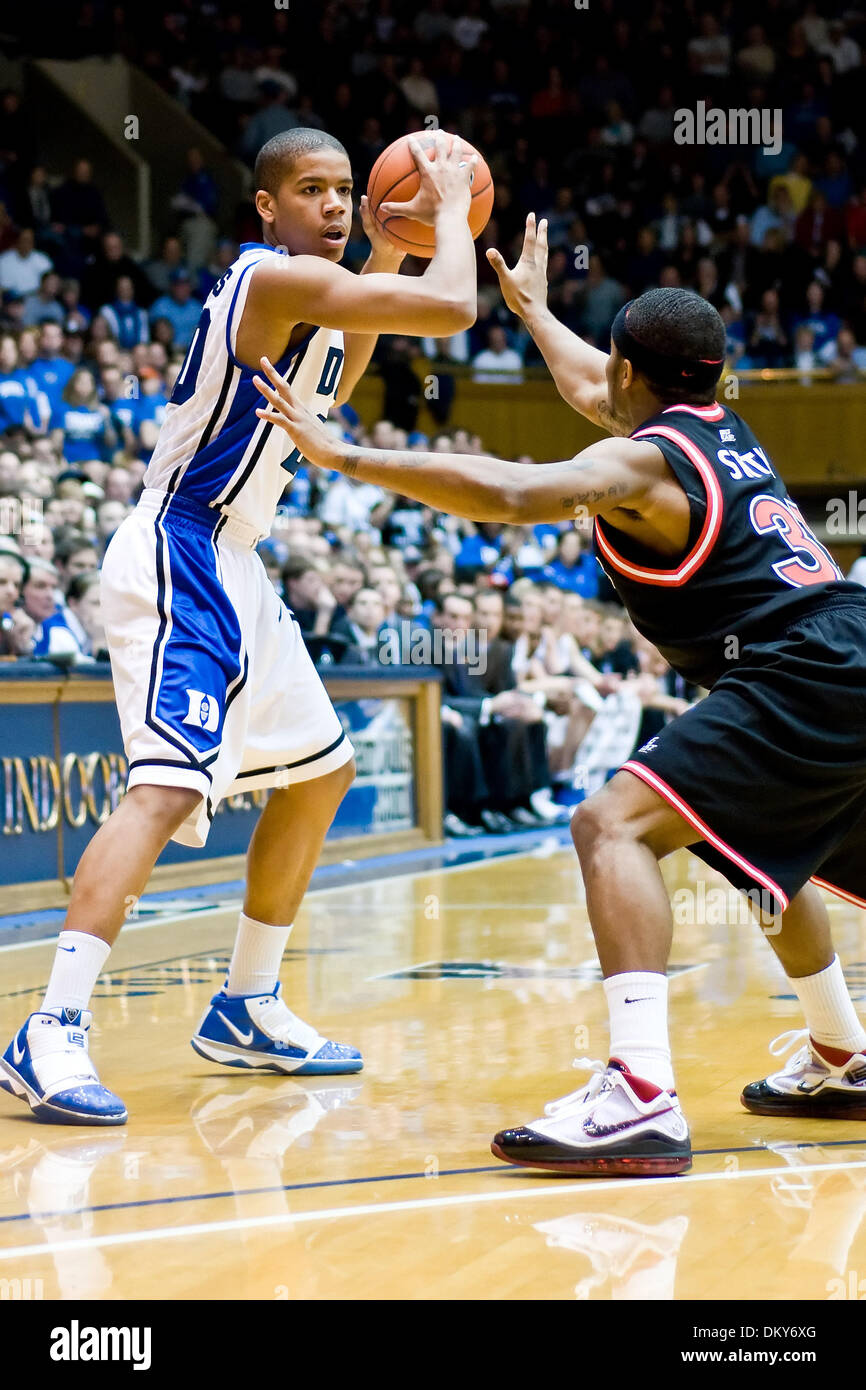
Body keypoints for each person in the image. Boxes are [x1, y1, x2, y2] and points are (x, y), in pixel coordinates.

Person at [254, 213, 866, 1179]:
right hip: (842, 647)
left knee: (608, 827)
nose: (601, 380)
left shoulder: (639, 463)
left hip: (804, 667)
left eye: (611, 364)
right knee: (759, 855)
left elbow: (506, 491)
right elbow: (593, 390)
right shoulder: (716, 425)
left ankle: (639, 1095)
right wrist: (536, 310)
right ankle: (843, 1054)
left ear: (633, 372)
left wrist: (347, 457)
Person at [0, 127, 477, 1127]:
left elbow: (336, 387)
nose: (336, 206)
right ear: (265, 207)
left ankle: (247, 1005)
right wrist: (442, 214)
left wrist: (385, 251)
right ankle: (48, 1028)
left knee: (324, 772)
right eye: (313, 190)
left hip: (236, 561)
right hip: (181, 547)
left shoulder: (310, 299)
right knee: (165, 789)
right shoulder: (267, 279)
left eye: (348, 190)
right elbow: (453, 306)